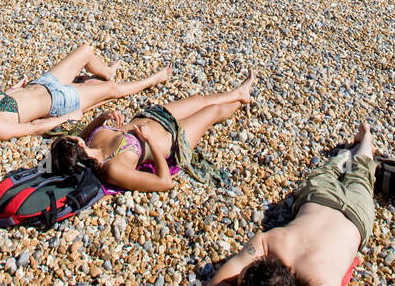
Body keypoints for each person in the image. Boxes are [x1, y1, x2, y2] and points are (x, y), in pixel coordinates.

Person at [203, 123, 376, 286]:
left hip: (353, 215)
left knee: (360, 175)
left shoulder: (314, 285)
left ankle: (362, 145)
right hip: (322, 200)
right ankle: (363, 142)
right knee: (345, 171)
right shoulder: (271, 243)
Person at [0, 46, 172, 153]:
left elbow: (7, 98)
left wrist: (14, 89)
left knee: (86, 50)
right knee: (112, 89)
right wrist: (67, 118)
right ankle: (155, 79)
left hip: (44, 82)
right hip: (60, 101)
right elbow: (34, 127)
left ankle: (106, 70)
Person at [47, 71, 254, 194]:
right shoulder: (111, 168)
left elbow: (85, 133)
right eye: (72, 138)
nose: (76, 136)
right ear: (78, 147)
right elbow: (164, 183)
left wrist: (102, 118)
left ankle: (238, 92)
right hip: (173, 140)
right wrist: (150, 141)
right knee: (212, 111)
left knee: (199, 100)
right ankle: (241, 100)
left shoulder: (89, 141)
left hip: (155, 117)